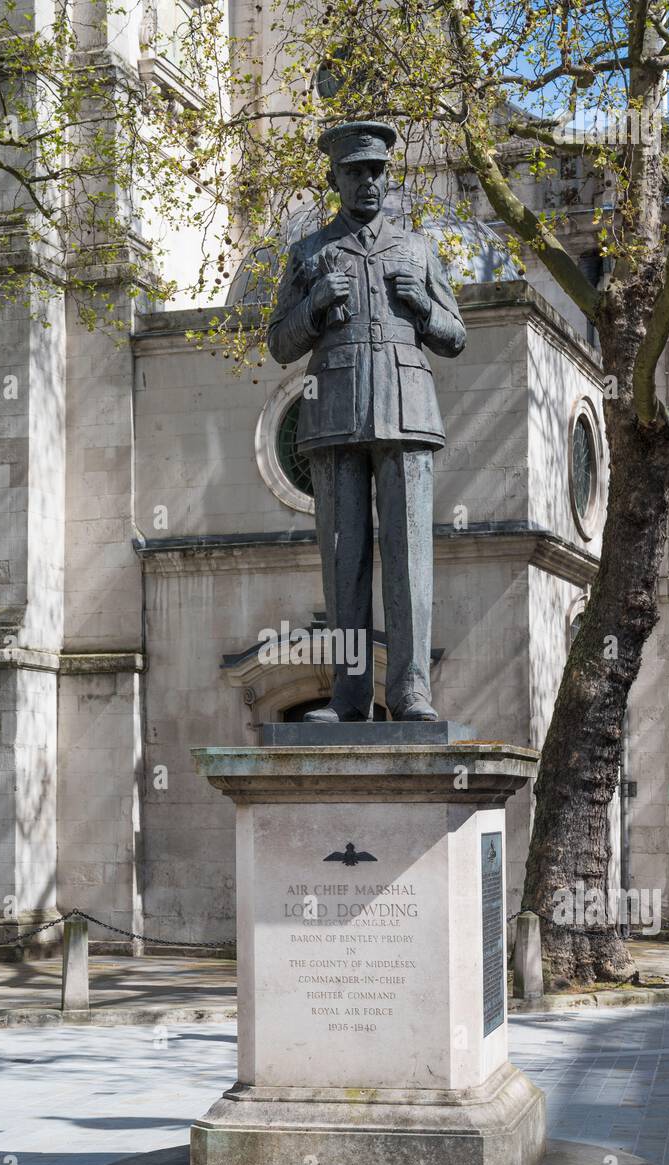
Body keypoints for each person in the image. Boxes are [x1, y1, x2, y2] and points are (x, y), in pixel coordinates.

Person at [268, 121, 466, 721]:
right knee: (342, 557)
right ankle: (351, 695)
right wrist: (313, 305)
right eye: (355, 172)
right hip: (333, 416)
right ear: (335, 179)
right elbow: (278, 342)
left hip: (405, 413)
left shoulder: (417, 250)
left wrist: (424, 305)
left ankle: (410, 692)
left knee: (409, 557)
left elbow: (455, 335)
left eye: (376, 171)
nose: (368, 182)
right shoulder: (308, 255)